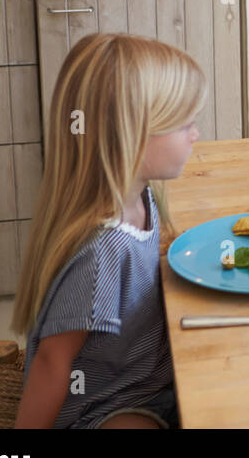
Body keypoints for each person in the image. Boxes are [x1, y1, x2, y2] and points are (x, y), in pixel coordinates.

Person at [12, 34, 204, 429]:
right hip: (105, 408)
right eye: (185, 123)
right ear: (131, 135)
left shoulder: (142, 197)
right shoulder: (102, 252)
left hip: (152, 380)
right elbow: (53, 362)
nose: (195, 134)